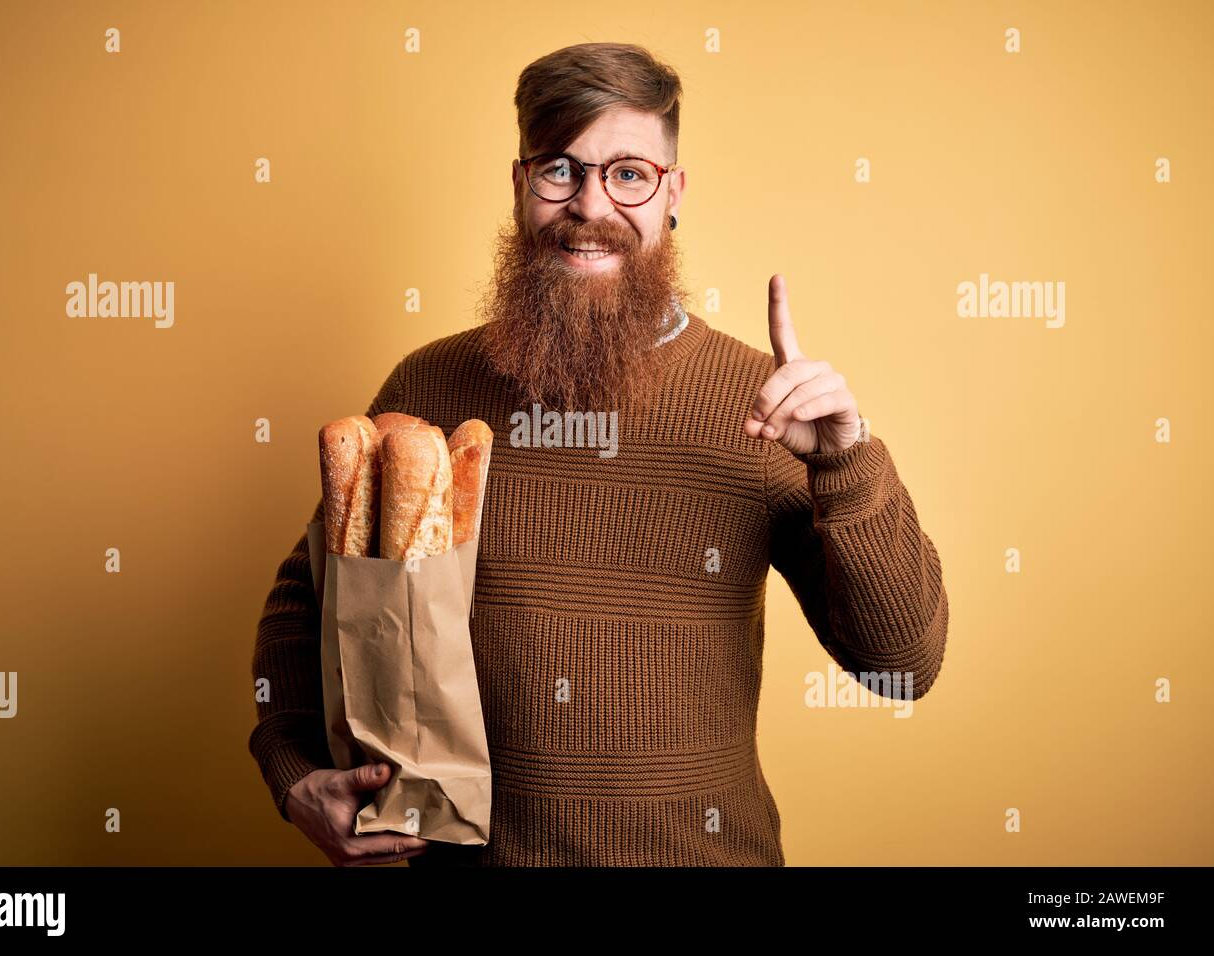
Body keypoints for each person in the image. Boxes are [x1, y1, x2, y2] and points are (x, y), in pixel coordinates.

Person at [249, 41, 949, 867]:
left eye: (628, 174)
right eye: (560, 170)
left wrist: (847, 460)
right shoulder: (429, 389)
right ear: (519, 186)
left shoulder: (763, 407)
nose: (591, 205)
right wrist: (294, 774)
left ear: (673, 193)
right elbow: (314, 595)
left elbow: (903, 666)